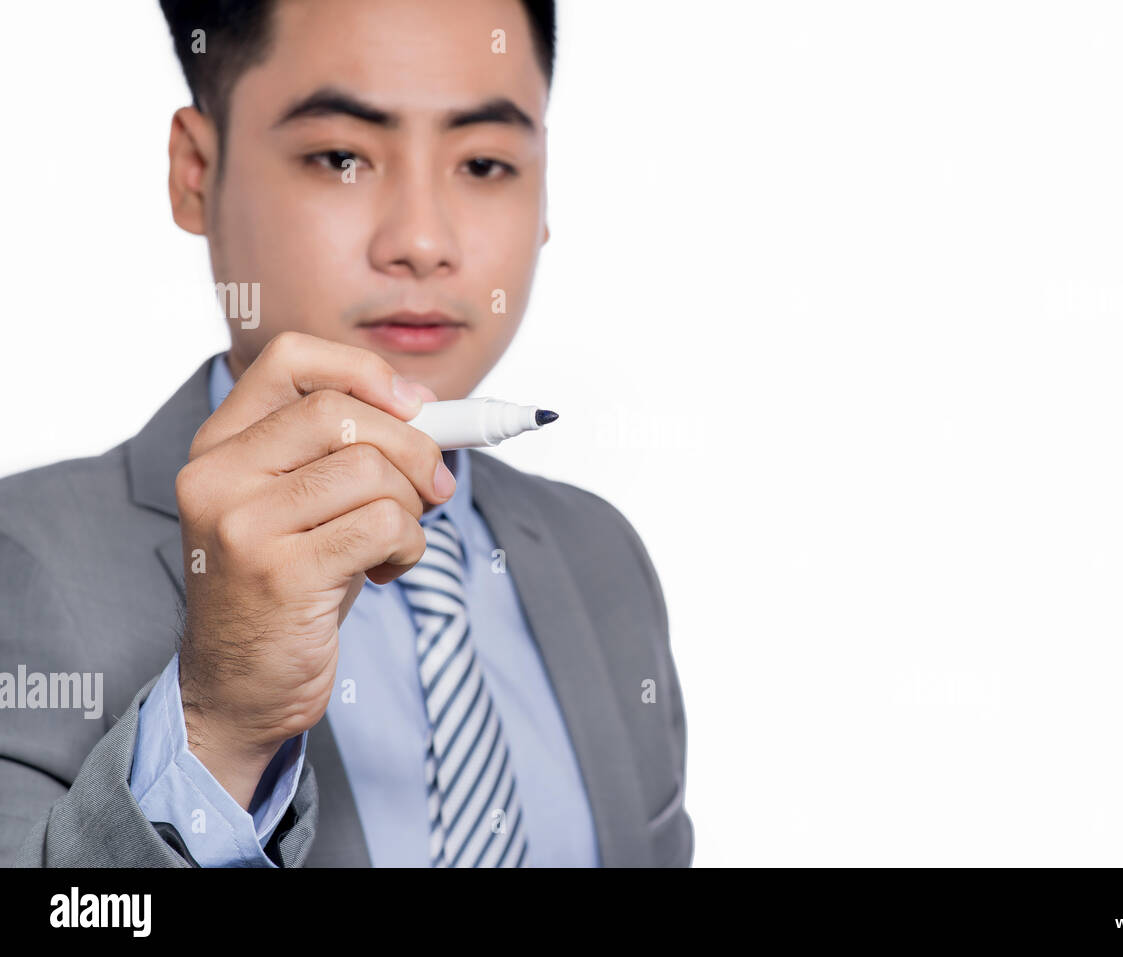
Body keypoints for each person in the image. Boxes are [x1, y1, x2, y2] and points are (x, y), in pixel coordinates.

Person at [0, 0, 692, 868]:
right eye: (340, 157)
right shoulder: (20, 559)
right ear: (194, 171)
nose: (423, 241)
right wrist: (216, 732)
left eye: (483, 162)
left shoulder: (602, 556)